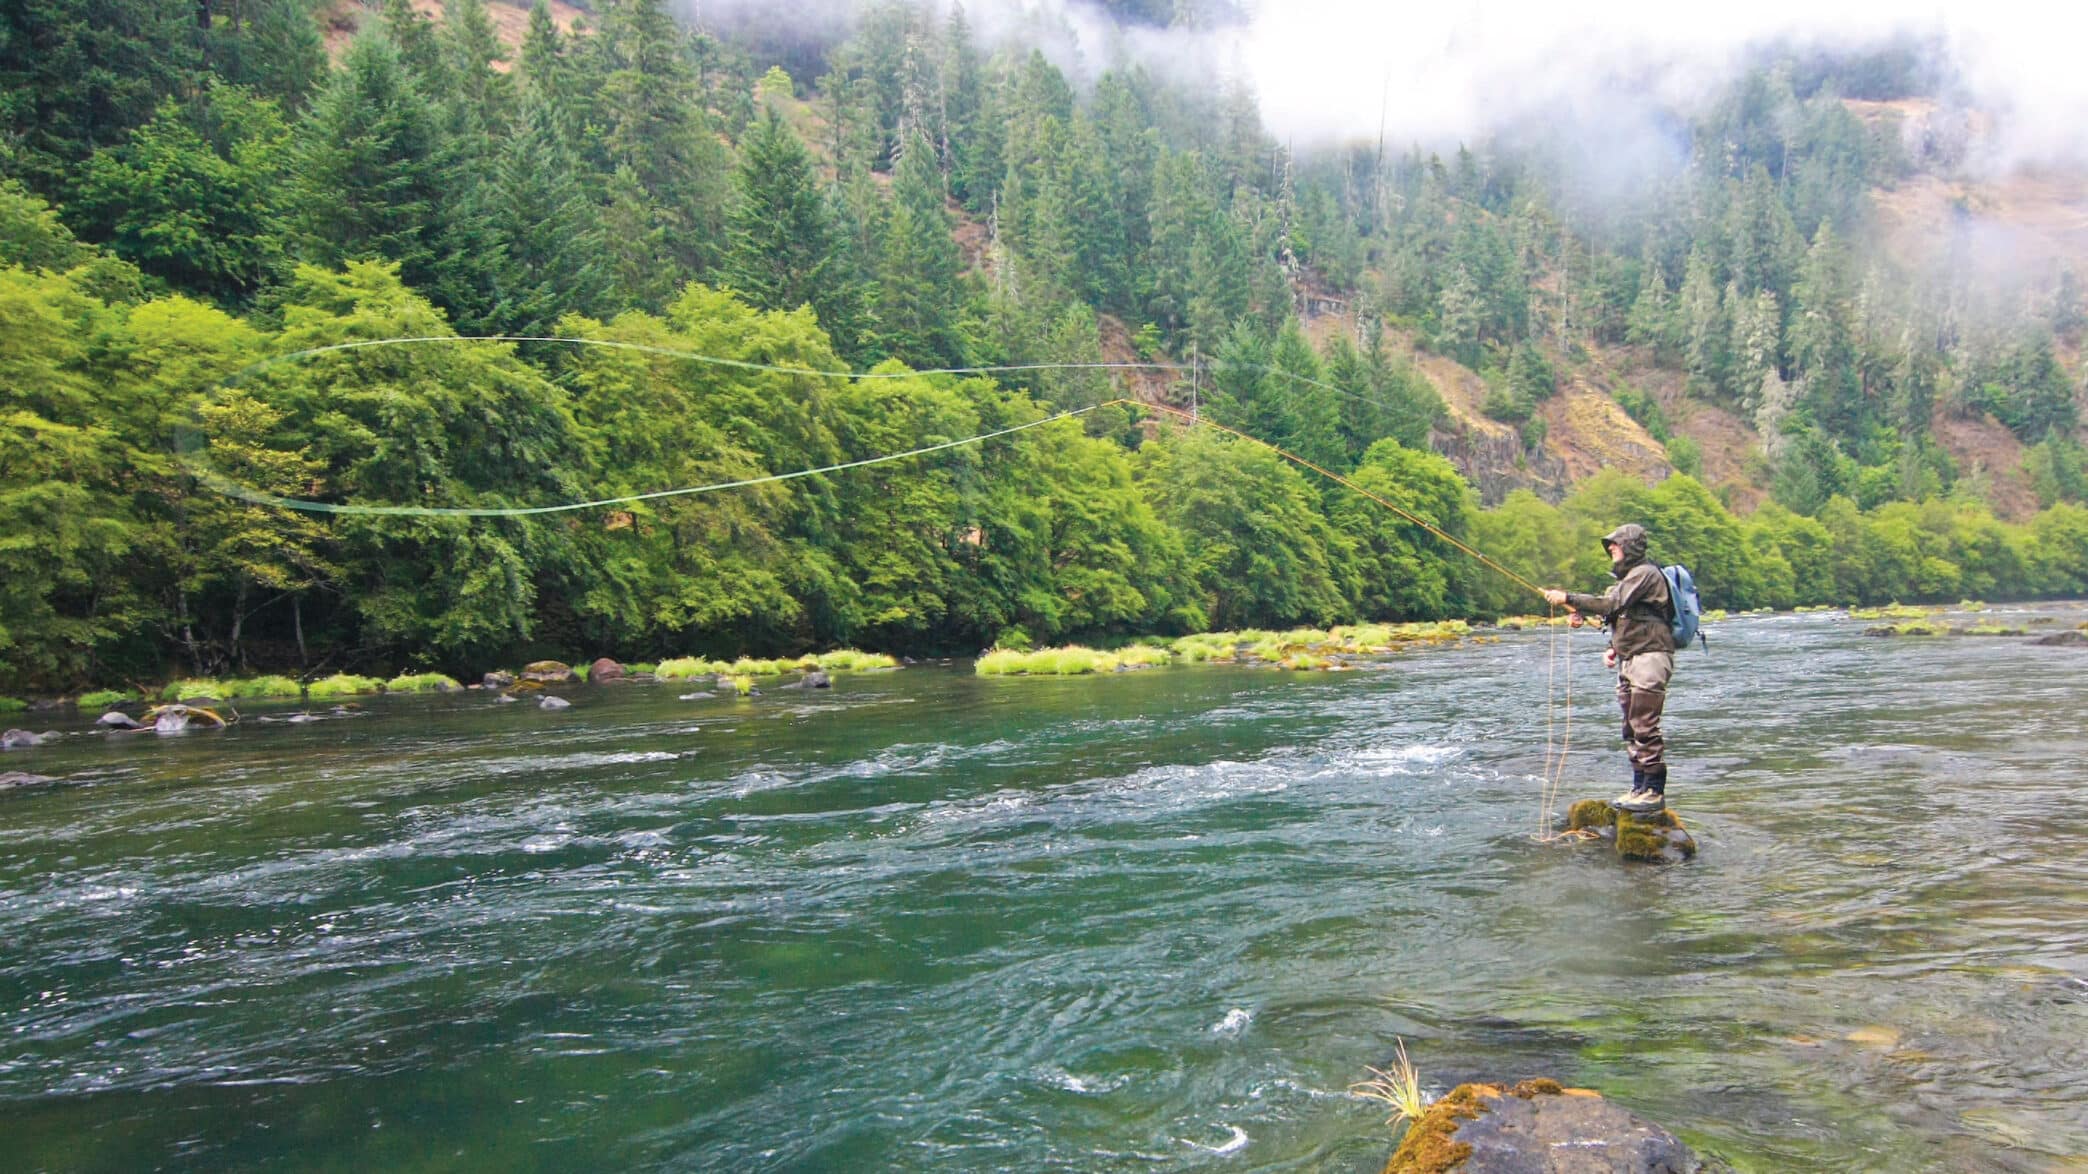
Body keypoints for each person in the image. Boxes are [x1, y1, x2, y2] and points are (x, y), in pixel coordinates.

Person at [1542, 524, 1675, 813]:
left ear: (1631, 546)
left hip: (1650, 657)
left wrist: (1568, 598)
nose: (1610, 548)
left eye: (1615, 544)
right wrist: (1612, 646)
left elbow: (1611, 603)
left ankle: (1654, 791)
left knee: (1644, 724)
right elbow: (1623, 616)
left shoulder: (1645, 574)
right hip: (1631, 658)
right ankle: (1639, 785)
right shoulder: (1630, 579)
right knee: (1630, 726)